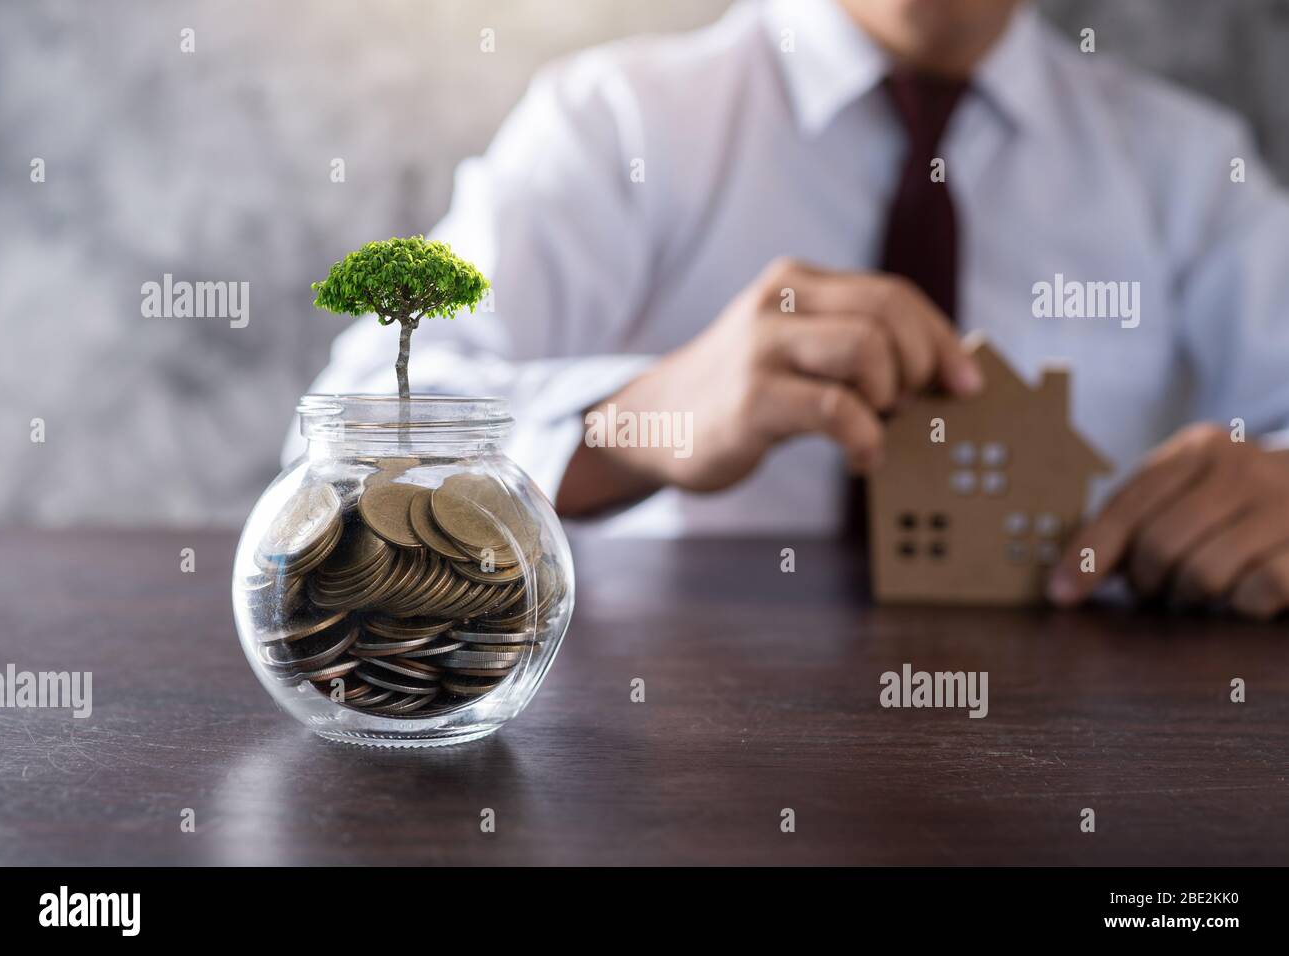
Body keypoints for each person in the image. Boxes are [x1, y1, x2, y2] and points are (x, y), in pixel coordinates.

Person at [296, 0, 1289, 618]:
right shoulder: (614, 122)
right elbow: (334, 448)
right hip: (652, 755)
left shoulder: (1189, 164)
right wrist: (638, 420)